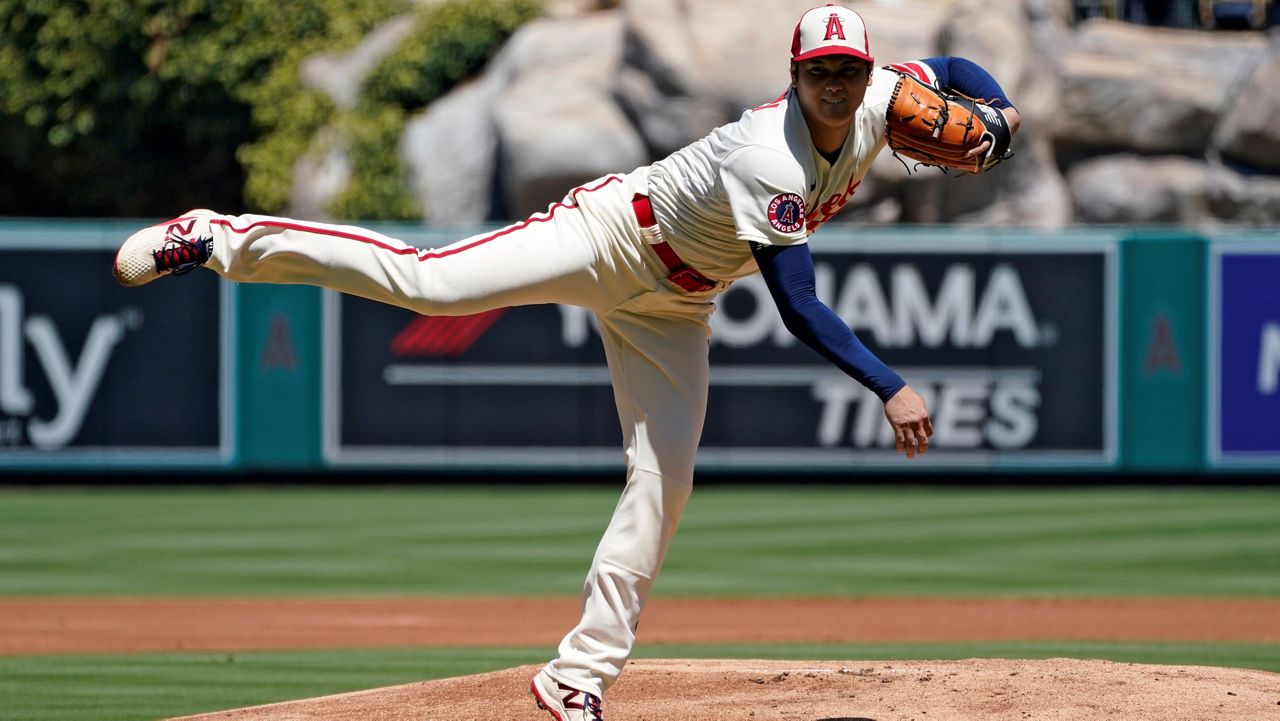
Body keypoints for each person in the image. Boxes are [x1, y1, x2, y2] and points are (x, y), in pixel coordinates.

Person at [113, 4, 1020, 719]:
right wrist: (890, 385)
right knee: (429, 284)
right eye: (819, 71)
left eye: (848, 71)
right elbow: (800, 305)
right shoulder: (767, 159)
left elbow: (951, 75)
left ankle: (575, 677)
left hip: (680, 302)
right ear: (793, 75)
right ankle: (221, 236)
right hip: (608, 238)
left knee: (665, 481)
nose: (835, 84)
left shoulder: (876, 97)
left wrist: (1000, 107)